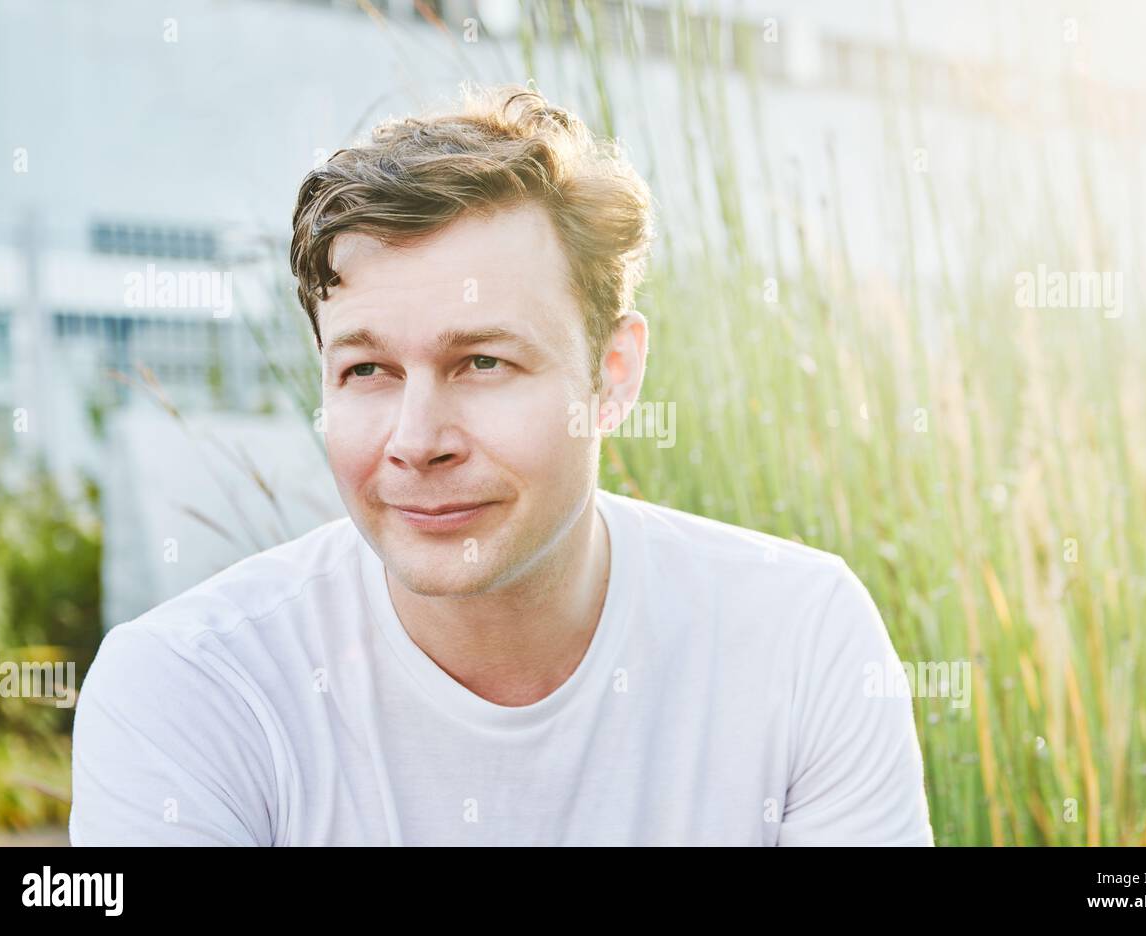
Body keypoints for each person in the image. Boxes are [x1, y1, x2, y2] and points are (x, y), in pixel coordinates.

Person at [69, 84, 934, 846]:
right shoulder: (187, 690)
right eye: (367, 370)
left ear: (613, 373)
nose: (417, 439)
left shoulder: (798, 638)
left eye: (483, 363)